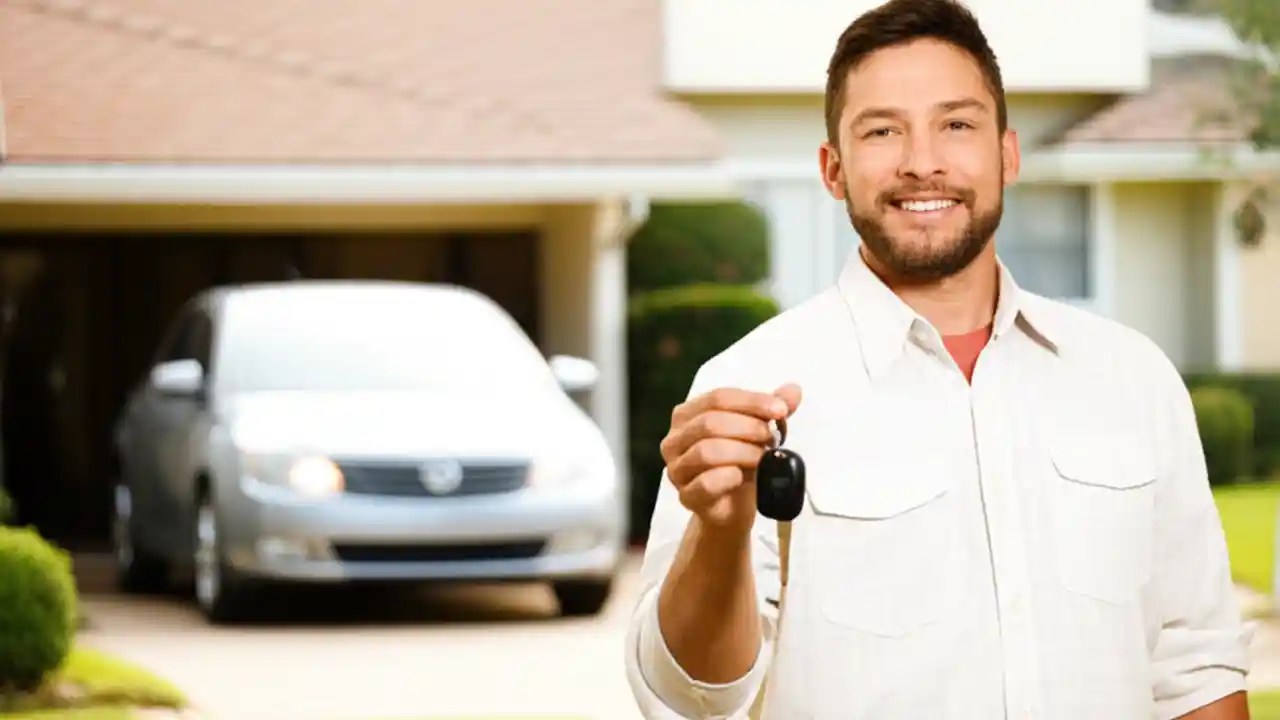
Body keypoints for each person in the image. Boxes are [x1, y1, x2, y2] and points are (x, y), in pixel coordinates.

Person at [623, 0, 1254, 718]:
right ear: (833, 169)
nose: (922, 162)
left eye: (956, 124)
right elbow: (691, 695)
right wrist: (720, 536)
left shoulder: (1134, 379)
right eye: (883, 130)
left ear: (1006, 154)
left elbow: (1195, 666)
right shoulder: (745, 392)